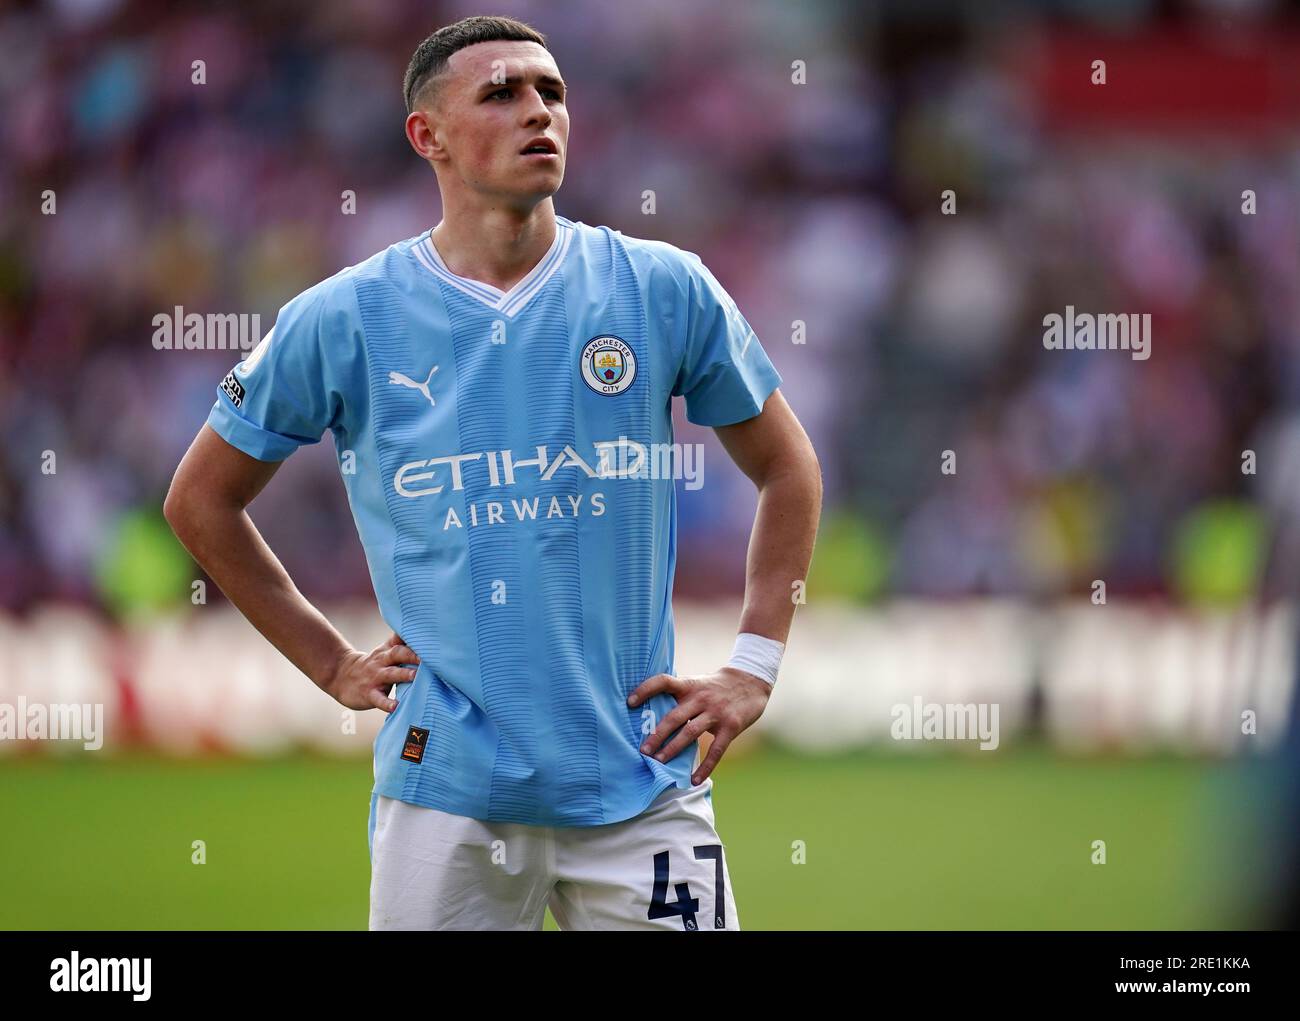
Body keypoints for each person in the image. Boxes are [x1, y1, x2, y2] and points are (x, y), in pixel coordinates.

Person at [164, 14, 822, 930]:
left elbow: (789, 467)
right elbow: (200, 500)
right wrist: (330, 663)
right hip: (448, 791)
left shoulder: (661, 286)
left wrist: (753, 664)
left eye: (551, 91)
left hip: (640, 780)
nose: (538, 111)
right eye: (502, 93)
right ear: (426, 135)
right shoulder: (344, 317)